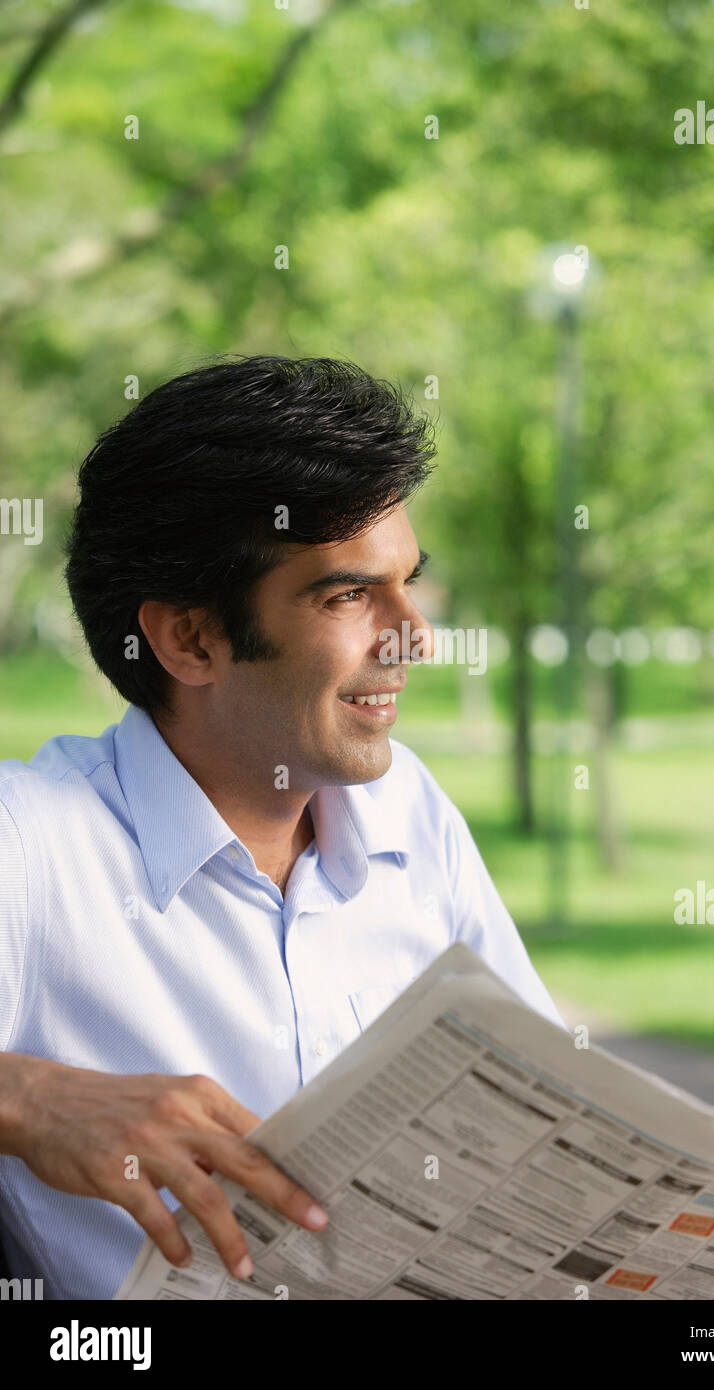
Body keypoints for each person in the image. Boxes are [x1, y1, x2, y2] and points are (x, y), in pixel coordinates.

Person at [0, 354, 565, 1300]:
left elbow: (551, 1115)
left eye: (407, 583)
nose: (414, 635)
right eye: (349, 594)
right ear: (190, 639)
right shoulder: (35, 839)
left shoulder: (410, 811)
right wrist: (29, 1100)